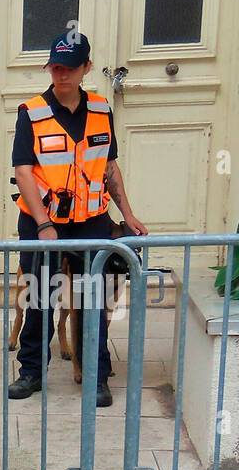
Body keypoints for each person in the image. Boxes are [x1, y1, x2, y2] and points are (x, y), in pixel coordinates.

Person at [8, 31, 147, 408]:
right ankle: (31, 372)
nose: (62, 75)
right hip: (43, 221)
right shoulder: (32, 113)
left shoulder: (102, 110)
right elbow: (23, 172)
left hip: (91, 220)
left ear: (86, 67)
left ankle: (96, 376)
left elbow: (109, 167)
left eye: (70, 68)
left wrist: (127, 215)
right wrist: (43, 224)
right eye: (56, 67)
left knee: (91, 300)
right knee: (38, 296)